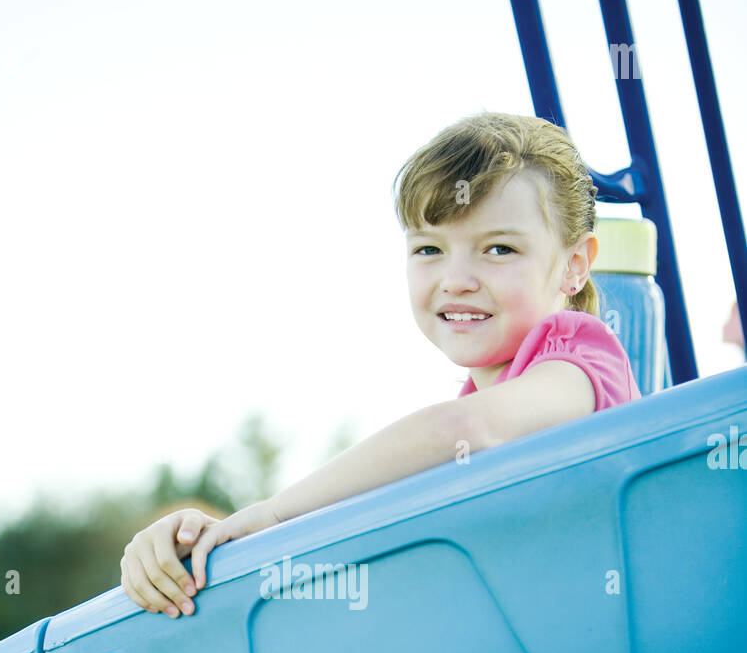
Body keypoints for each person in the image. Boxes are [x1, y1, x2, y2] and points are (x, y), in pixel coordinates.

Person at [120, 111, 641, 617]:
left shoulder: (581, 356)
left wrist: (274, 516)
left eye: (499, 249)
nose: (456, 278)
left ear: (574, 266)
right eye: (430, 249)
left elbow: (461, 430)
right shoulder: (478, 407)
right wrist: (203, 538)